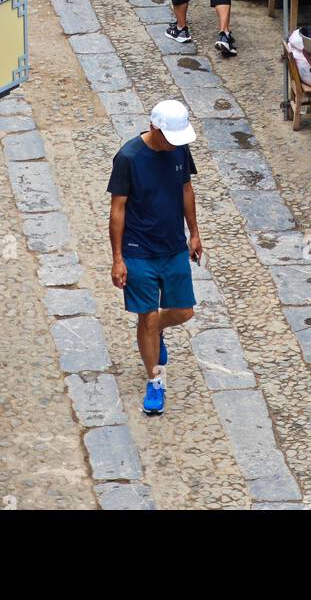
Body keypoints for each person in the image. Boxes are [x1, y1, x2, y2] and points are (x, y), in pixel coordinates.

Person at [107, 99, 201, 417]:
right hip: (138, 251)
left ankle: (155, 329)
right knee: (145, 316)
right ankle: (155, 380)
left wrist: (195, 233)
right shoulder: (128, 158)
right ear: (153, 128)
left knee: (184, 311)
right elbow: (117, 209)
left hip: (173, 245)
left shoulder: (179, 148)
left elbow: (186, 189)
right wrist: (118, 258)